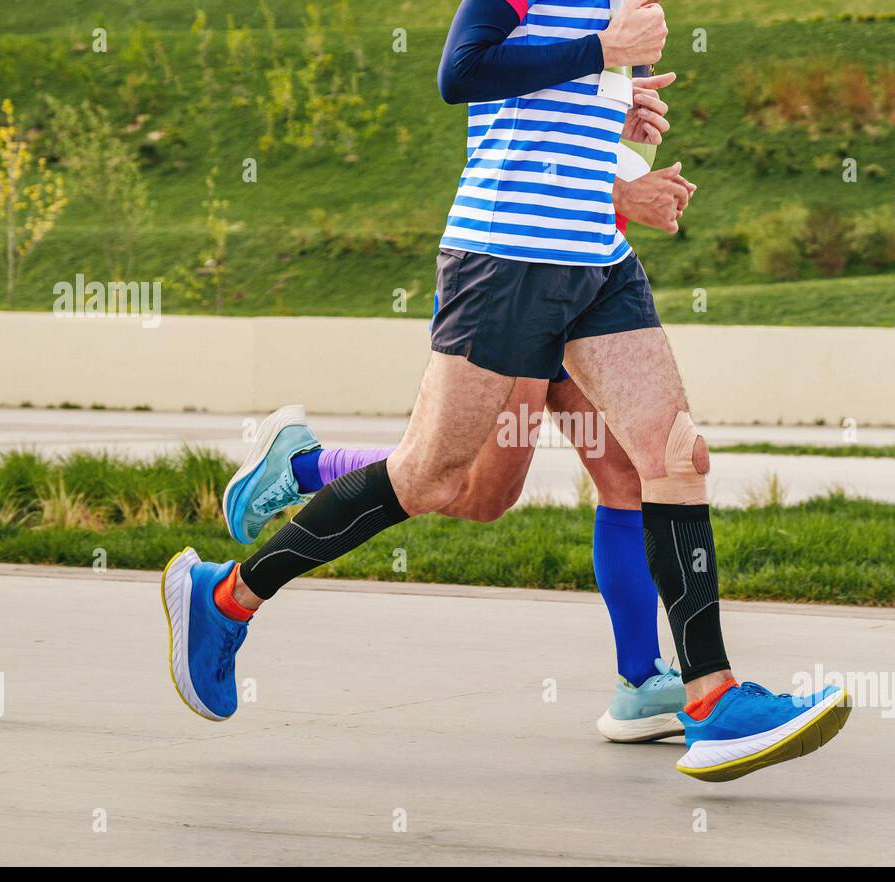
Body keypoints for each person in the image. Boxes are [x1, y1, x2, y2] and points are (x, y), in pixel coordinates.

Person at [161, 0, 850, 782]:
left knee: (672, 451)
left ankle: (711, 697)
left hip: (597, 259)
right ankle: (226, 599)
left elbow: (544, 107)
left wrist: (612, 100)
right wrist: (602, 50)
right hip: (506, 260)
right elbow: (463, 74)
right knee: (433, 479)